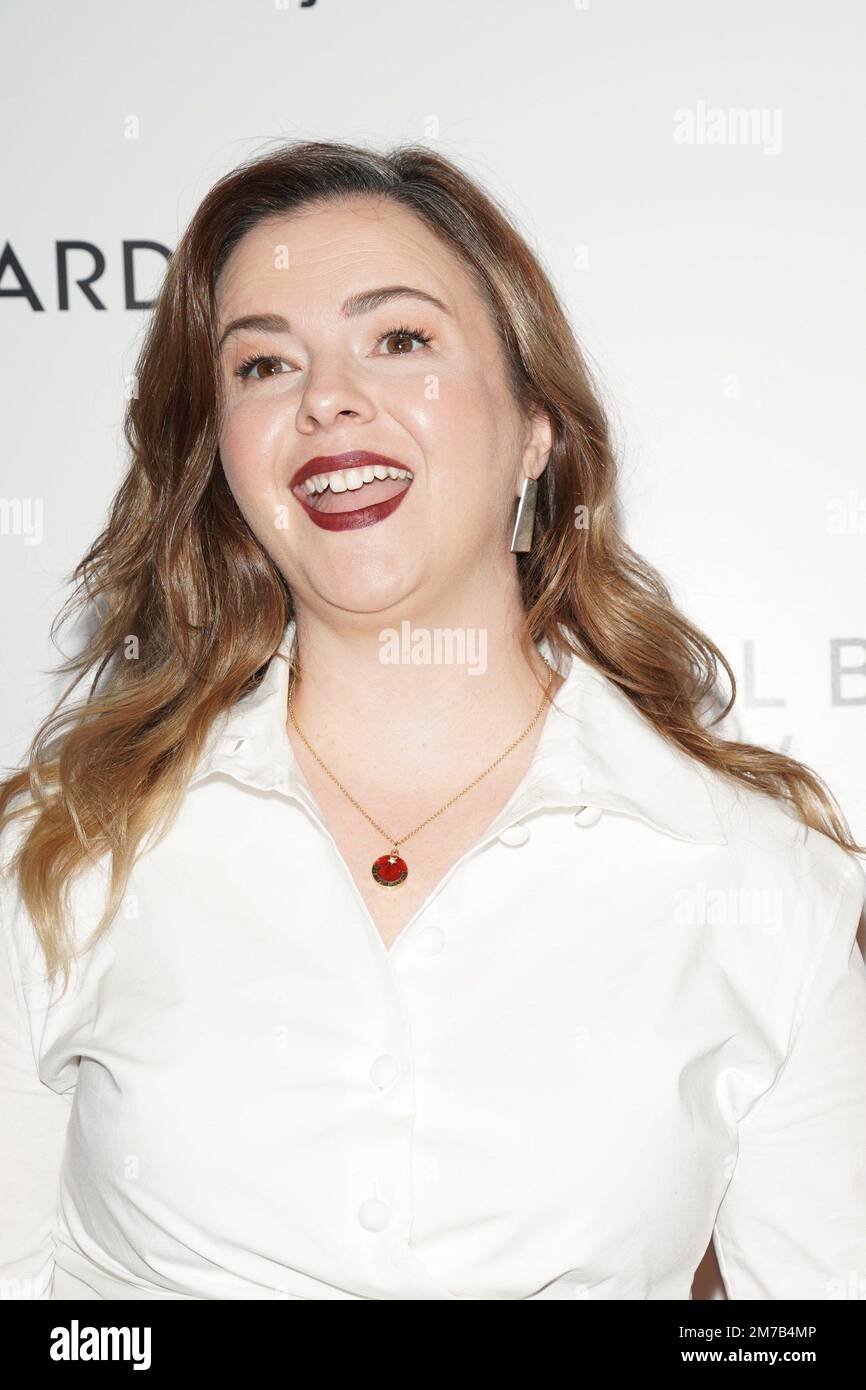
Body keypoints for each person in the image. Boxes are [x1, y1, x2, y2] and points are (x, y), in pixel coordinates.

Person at [1, 139, 864, 1302]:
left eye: (399, 340)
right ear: (223, 461)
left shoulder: (760, 881)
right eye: (261, 365)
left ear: (535, 427)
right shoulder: (62, 851)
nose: (325, 398)